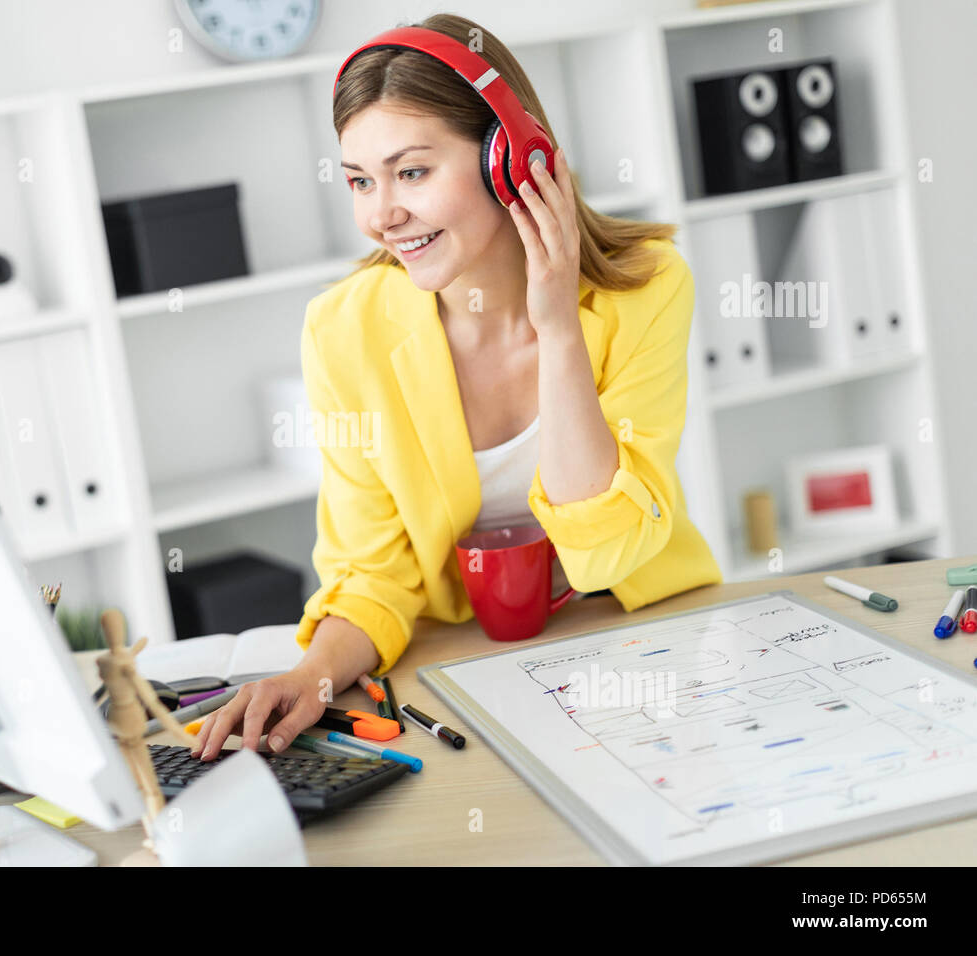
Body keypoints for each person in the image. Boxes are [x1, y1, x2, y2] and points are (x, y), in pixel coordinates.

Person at [192, 13, 721, 762]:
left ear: (513, 157)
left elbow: (604, 557)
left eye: (411, 172)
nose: (381, 215)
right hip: (465, 677)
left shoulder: (646, 291)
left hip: (647, 646)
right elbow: (373, 573)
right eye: (359, 181)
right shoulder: (345, 332)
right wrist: (310, 676)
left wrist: (558, 328)